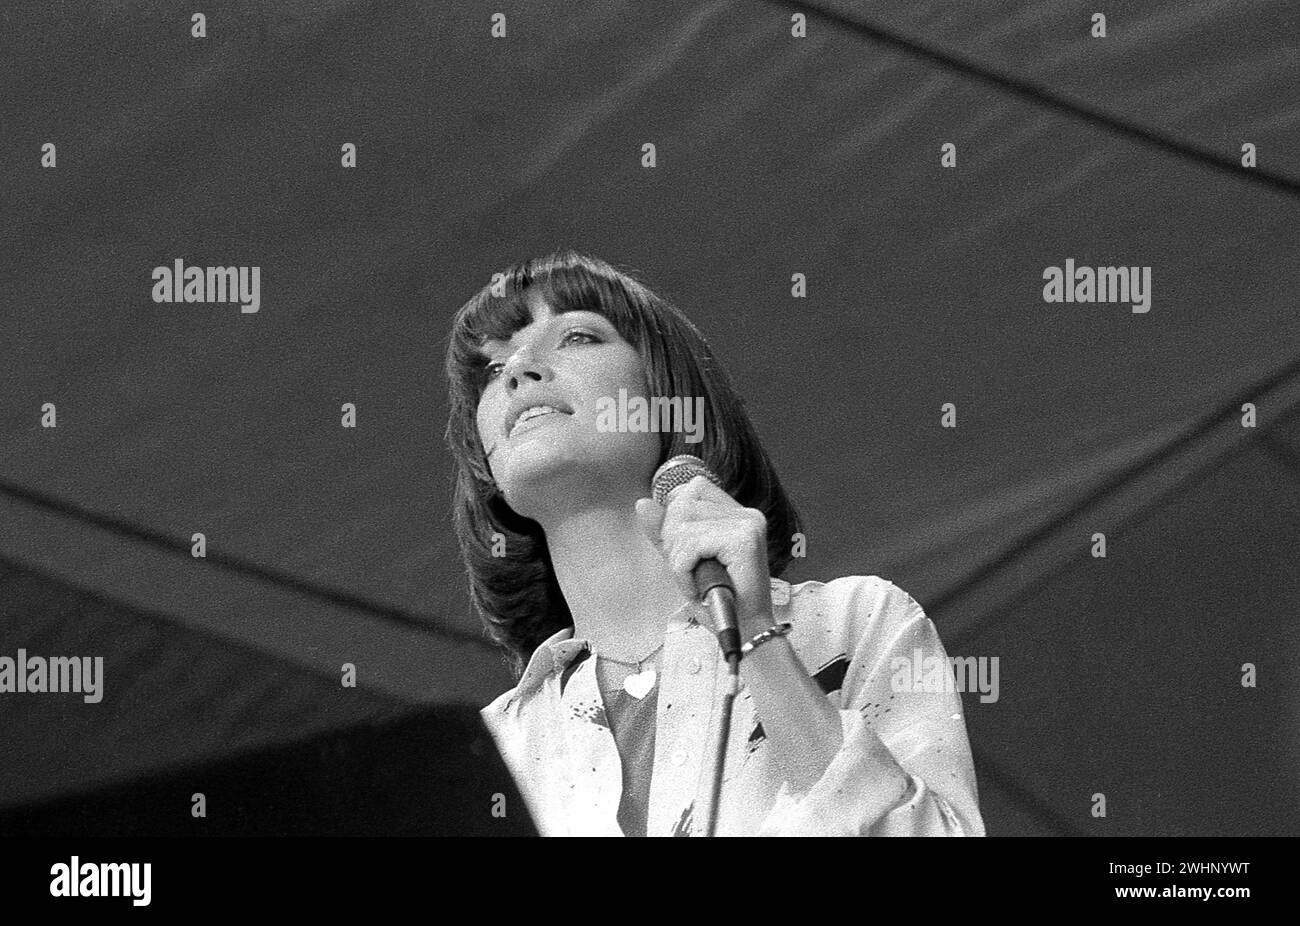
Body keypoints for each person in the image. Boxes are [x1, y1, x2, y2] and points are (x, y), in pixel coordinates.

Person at [444, 249, 984, 836]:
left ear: (670, 394)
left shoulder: (853, 624)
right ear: (483, 463)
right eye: (493, 371)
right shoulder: (487, 755)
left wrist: (757, 638)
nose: (520, 370)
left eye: (576, 336)